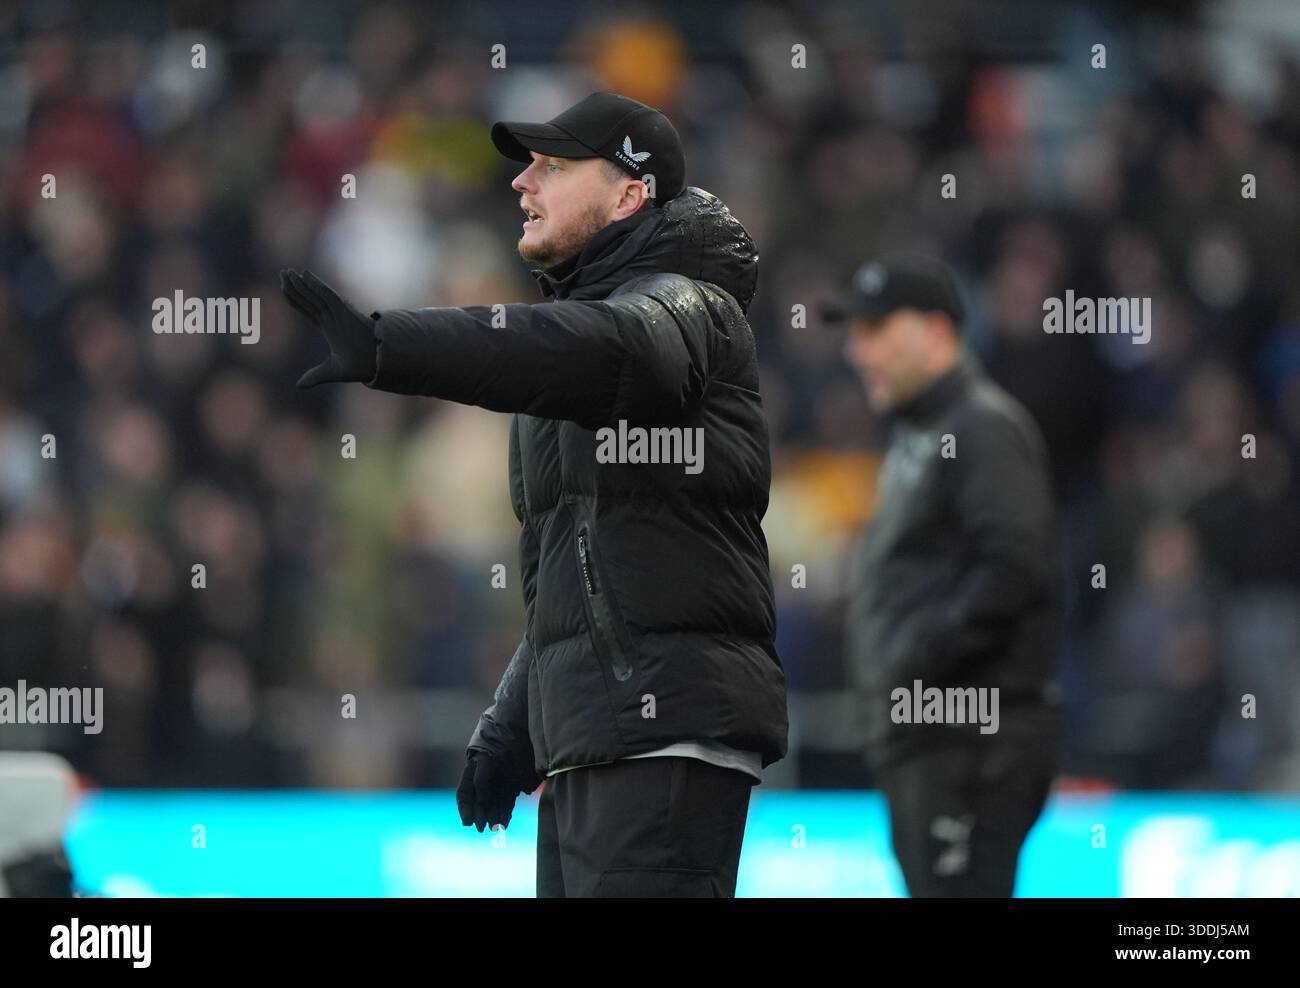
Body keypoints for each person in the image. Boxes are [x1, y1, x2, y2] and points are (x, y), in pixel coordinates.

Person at [280, 91, 788, 897]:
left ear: (630, 193)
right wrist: (511, 725)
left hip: (661, 737)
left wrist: (389, 345)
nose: (522, 182)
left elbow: (608, 349)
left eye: (554, 165)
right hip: (596, 740)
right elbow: (579, 576)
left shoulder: (688, 307)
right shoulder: (587, 330)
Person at [822, 256, 1063, 897]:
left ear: (936, 331)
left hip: (971, 740)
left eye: (874, 330)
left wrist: (913, 660)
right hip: (931, 738)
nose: (856, 351)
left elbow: (1015, 566)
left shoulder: (981, 426)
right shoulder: (923, 436)